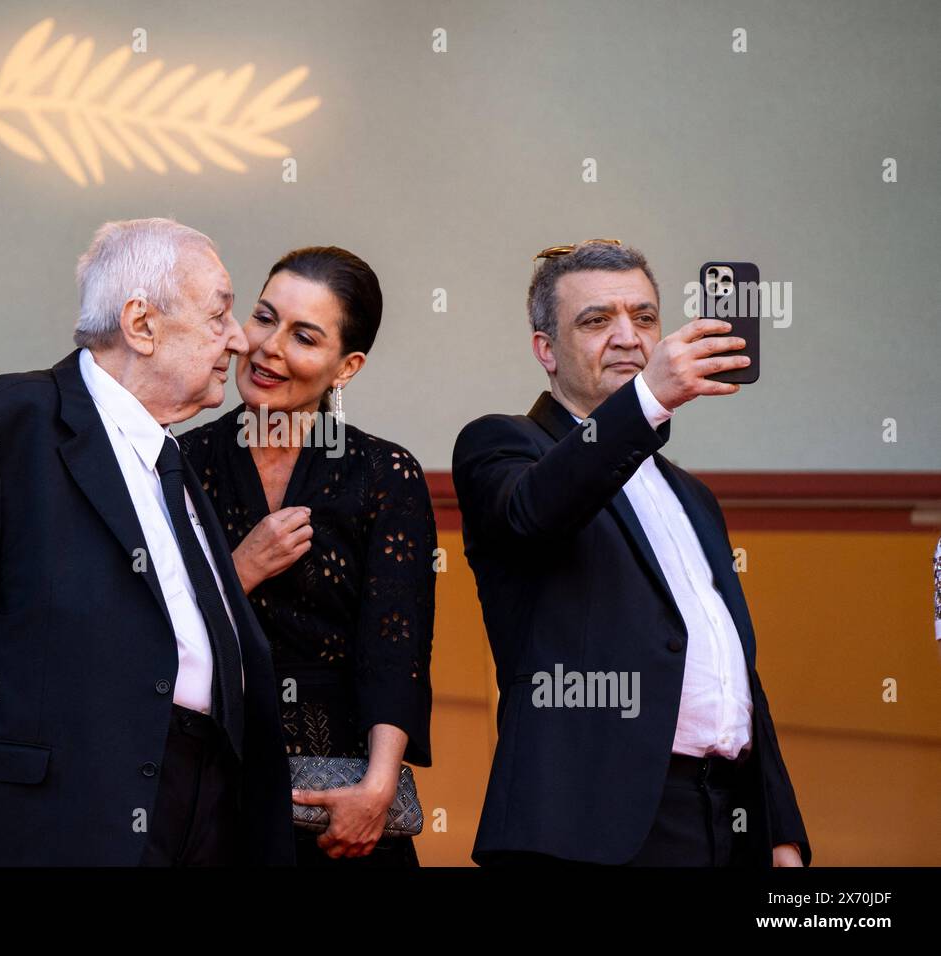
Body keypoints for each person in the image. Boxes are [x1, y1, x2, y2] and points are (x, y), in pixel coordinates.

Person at [0, 217, 295, 865]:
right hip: (65, 809)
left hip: (202, 805)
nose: (240, 340)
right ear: (141, 325)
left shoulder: (171, 461)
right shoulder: (16, 422)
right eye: (219, 315)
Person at [453, 239, 811, 867]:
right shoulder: (503, 445)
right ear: (545, 349)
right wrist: (648, 399)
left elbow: (730, 665)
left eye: (644, 318)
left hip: (724, 817)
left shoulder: (692, 494)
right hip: (589, 824)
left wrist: (779, 830)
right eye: (596, 321)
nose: (628, 337)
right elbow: (534, 514)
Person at [179, 246, 436, 866]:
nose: (268, 348)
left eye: (304, 336)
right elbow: (143, 628)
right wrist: (237, 570)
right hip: (208, 790)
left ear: (345, 367)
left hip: (345, 801)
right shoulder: (179, 463)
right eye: (264, 318)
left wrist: (376, 791)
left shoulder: (383, 473)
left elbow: (395, 649)